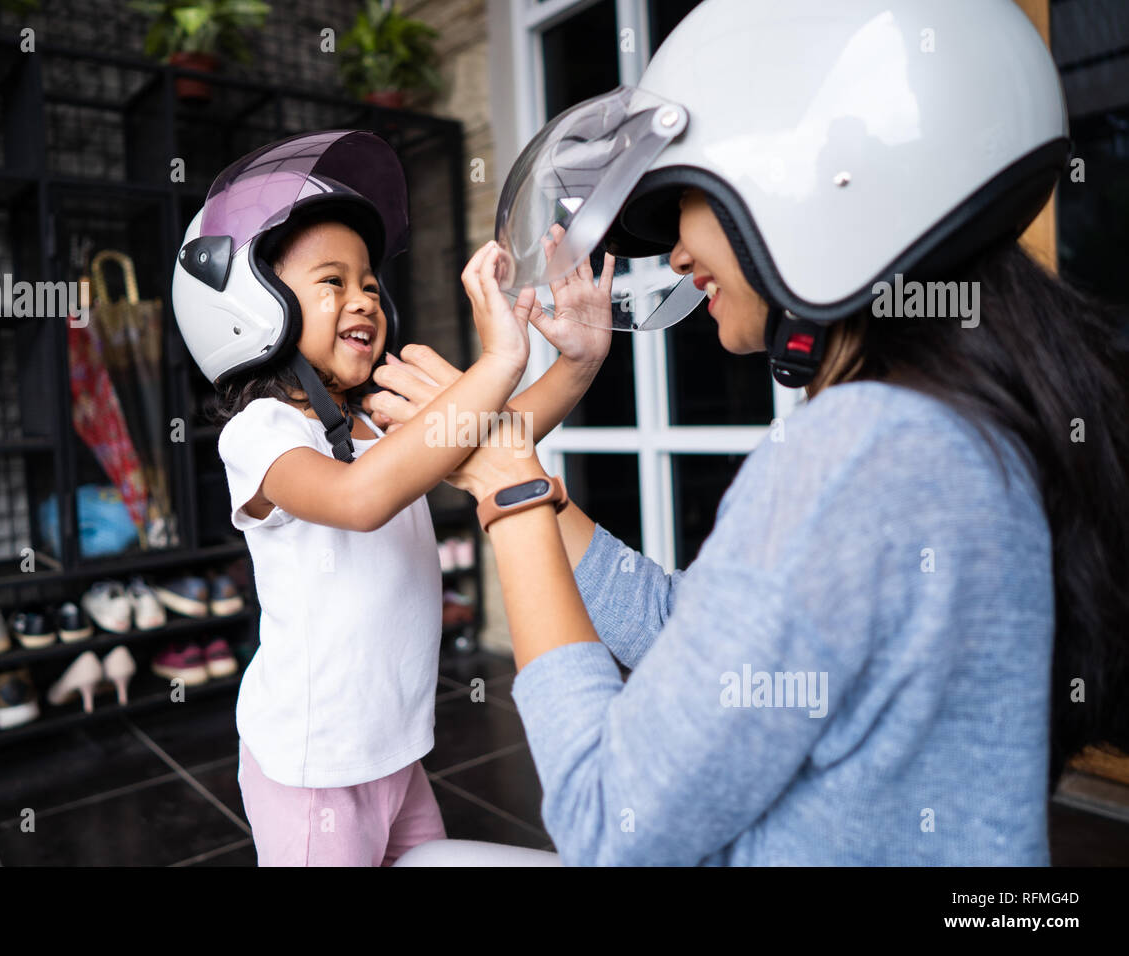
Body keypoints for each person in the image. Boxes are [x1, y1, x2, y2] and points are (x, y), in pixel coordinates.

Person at [375, 0, 1129, 865]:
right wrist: (523, 475)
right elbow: (682, 624)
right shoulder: (953, 424)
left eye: (685, 200)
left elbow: (605, 818)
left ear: (813, 178)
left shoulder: (861, 453)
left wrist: (505, 492)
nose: (677, 256)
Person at [170, 130, 611, 865]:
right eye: (332, 282)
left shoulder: (376, 418)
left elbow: (499, 438)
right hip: (314, 774)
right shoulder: (259, 433)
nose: (363, 298)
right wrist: (499, 358)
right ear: (253, 306)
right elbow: (358, 498)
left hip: (395, 752)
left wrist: (578, 361)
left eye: (370, 282)